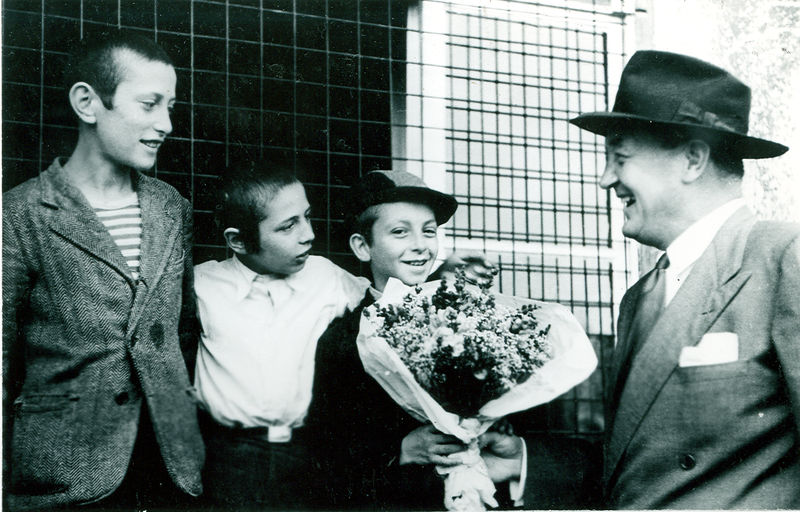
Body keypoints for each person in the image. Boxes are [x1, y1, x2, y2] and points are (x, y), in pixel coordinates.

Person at [567, 50, 799, 508]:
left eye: (620, 157)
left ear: (693, 159)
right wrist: (521, 461)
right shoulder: (639, 297)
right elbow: (633, 463)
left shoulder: (784, 257)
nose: (605, 179)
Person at [193, 163, 492, 510]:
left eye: (306, 217)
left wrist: (443, 277)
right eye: (288, 225)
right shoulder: (201, 285)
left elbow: (389, 295)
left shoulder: (326, 276)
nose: (308, 234)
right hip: (230, 455)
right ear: (237, 240)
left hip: (304, 454)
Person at [2, 32, 204, 510]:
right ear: (87, 102)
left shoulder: (171, 207)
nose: (167, 124)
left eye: (170, 107)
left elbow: (182, 331)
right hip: (66, 478)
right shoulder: (19, 214)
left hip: (171, 470)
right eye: (150, 104)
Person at [304, 170, 468, 510]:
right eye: (399, 232)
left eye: (429, 231)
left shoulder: (467, 321)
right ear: (363, 247)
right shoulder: (343, 341)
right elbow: (327, 454)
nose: (421, 245)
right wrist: (402, 451)